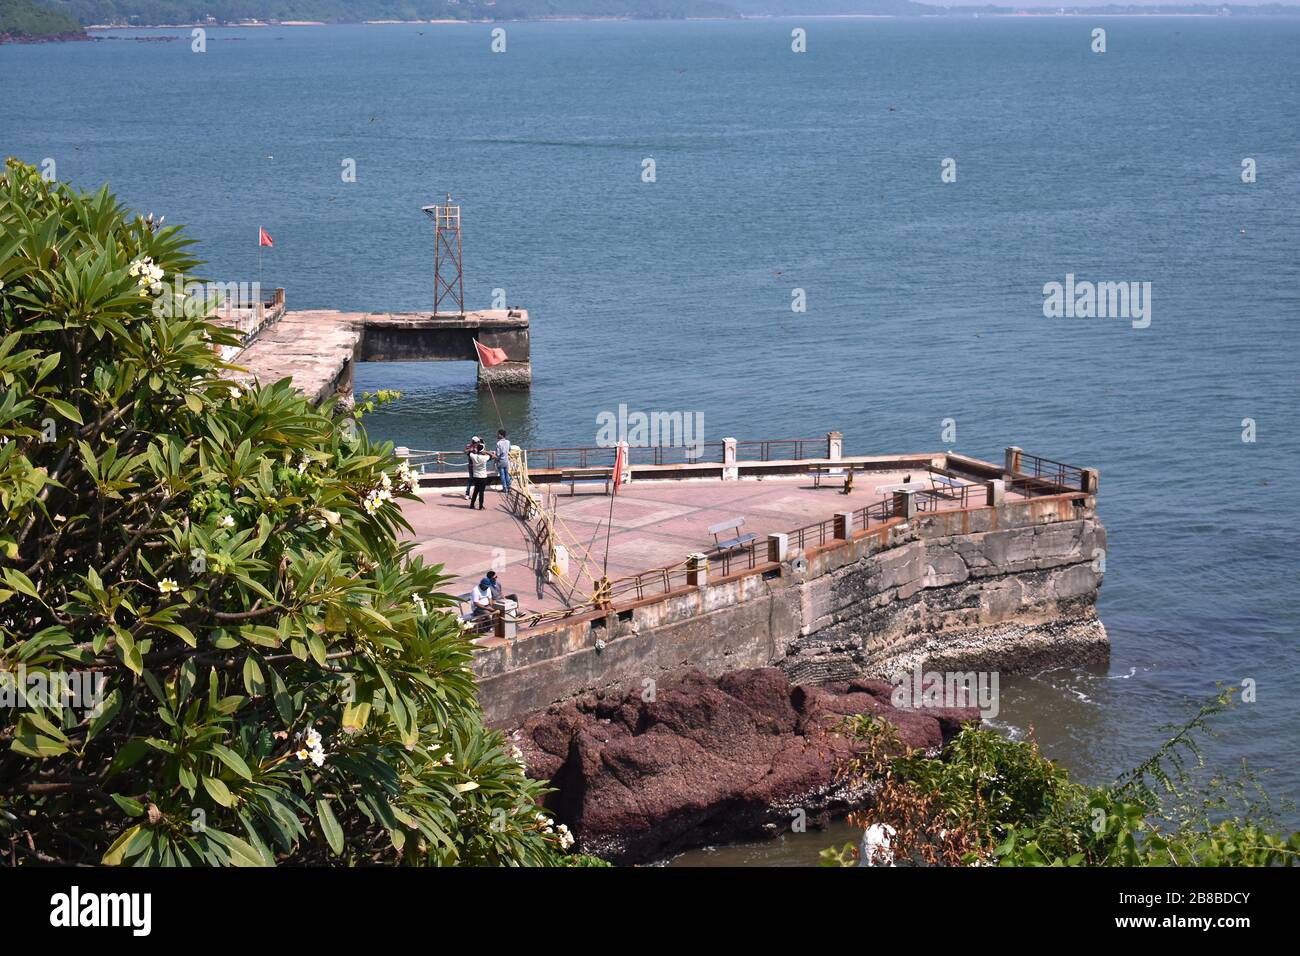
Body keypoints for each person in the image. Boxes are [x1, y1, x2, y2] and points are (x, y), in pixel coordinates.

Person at [467, 441, 494, 510]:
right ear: (483, 450)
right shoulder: (485, 458)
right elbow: (492, 456)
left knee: (476, 491)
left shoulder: (473, 456)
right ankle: (480, 506)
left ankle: (472, 505)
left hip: (475, 476)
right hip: (483, 477)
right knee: (481, 492)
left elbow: (469, 453)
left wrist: (474, 450)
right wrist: (486, 452)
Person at [463, 435, 481, 500]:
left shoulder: (479, 446)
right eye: (476, 442)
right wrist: (471, 449)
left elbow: (483, 451)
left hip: (477, 465)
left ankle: (476, 494)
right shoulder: (469, 446)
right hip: (471, 465)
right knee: (471, 479)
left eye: (478, 442)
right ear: (473, 442)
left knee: (477, 480)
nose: (477, 443)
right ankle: (467, 493)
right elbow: (465, 451)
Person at [495, 429, 512, 493]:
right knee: (507, 474)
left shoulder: (498, 443)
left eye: (498, 434)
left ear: (501, 435)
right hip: (506, 460)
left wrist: (495, 458)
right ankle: (509, 487)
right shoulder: (508, 442)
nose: (497, 435)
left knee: (502, 475)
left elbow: (498, 454)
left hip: (500, 461)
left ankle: (505, 488)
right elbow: (510, 449)